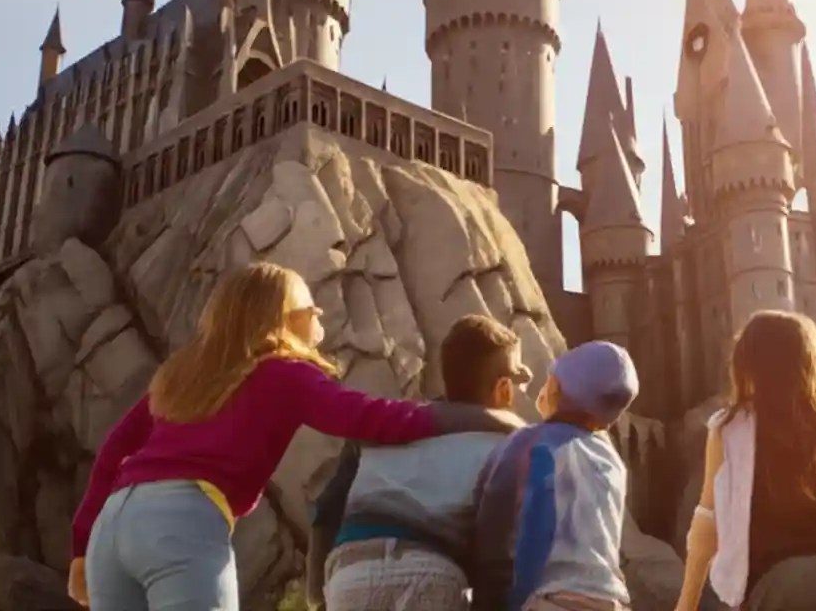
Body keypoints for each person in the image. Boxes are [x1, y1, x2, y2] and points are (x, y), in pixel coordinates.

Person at [65, 262, 524, 611]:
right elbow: (368, 418)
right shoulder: (284, 373)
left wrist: (82, 548)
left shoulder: (182, 374)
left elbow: (115, 450)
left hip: (113, 525)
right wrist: (473, 416)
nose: (318, 317)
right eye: (309, 309)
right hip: (181, 522)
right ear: (281, 319)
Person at [309, 314, 533, 611]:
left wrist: (316, 596)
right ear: (504, 389)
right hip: (428, 569)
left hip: (350, 571)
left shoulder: (390, 424)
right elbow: (496, 550)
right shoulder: (503, 445)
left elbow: (326, 512)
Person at [674, 311, 816, 611]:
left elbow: (707, 524)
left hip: (777, 589)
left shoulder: (729, 429)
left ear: (748, 364)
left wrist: (686, 604)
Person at [472, 340, 639, 611]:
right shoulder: (611, 460)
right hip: (610, 601)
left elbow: (494, 527)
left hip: (551, 600)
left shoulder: (529, 443)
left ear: (558, 388)